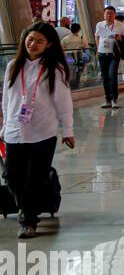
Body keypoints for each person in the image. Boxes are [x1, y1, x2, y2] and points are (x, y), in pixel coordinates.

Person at [1, 23, 74, 239]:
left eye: (39, 41)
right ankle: (27, 207)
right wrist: (4, 126)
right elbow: (7, 99)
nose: (33, 44)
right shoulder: (13, 66)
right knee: (12, 177)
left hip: (43, 132)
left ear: (49, 44)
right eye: (30, 39)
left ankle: (28, 220)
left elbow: (64, 103)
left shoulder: (55, 70)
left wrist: (68, 130)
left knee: (35, 178)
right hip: (15, 131)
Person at [93, 5, 124, 109]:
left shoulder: (121, 25)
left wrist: (118, 37)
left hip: (114, 54)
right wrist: (98, 48)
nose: (109, 15)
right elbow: (97, 36)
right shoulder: (99, 24)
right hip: (102, 53)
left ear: (114, 15)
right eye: (107, 13)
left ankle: (114, 99)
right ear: (104, 15)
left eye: (111, 13)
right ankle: (107, 99)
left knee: (112, 76)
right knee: (105, 77)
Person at [63, 22, 87, 88]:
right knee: (78, 70)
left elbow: (61, 47)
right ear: (79, 30)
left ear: (71, 29)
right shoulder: (81, 38)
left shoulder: (65, 39)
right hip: (79, 57)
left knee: (70, 70)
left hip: (69, 57)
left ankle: (69, 84)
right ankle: (76, 83)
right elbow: (85, 46)